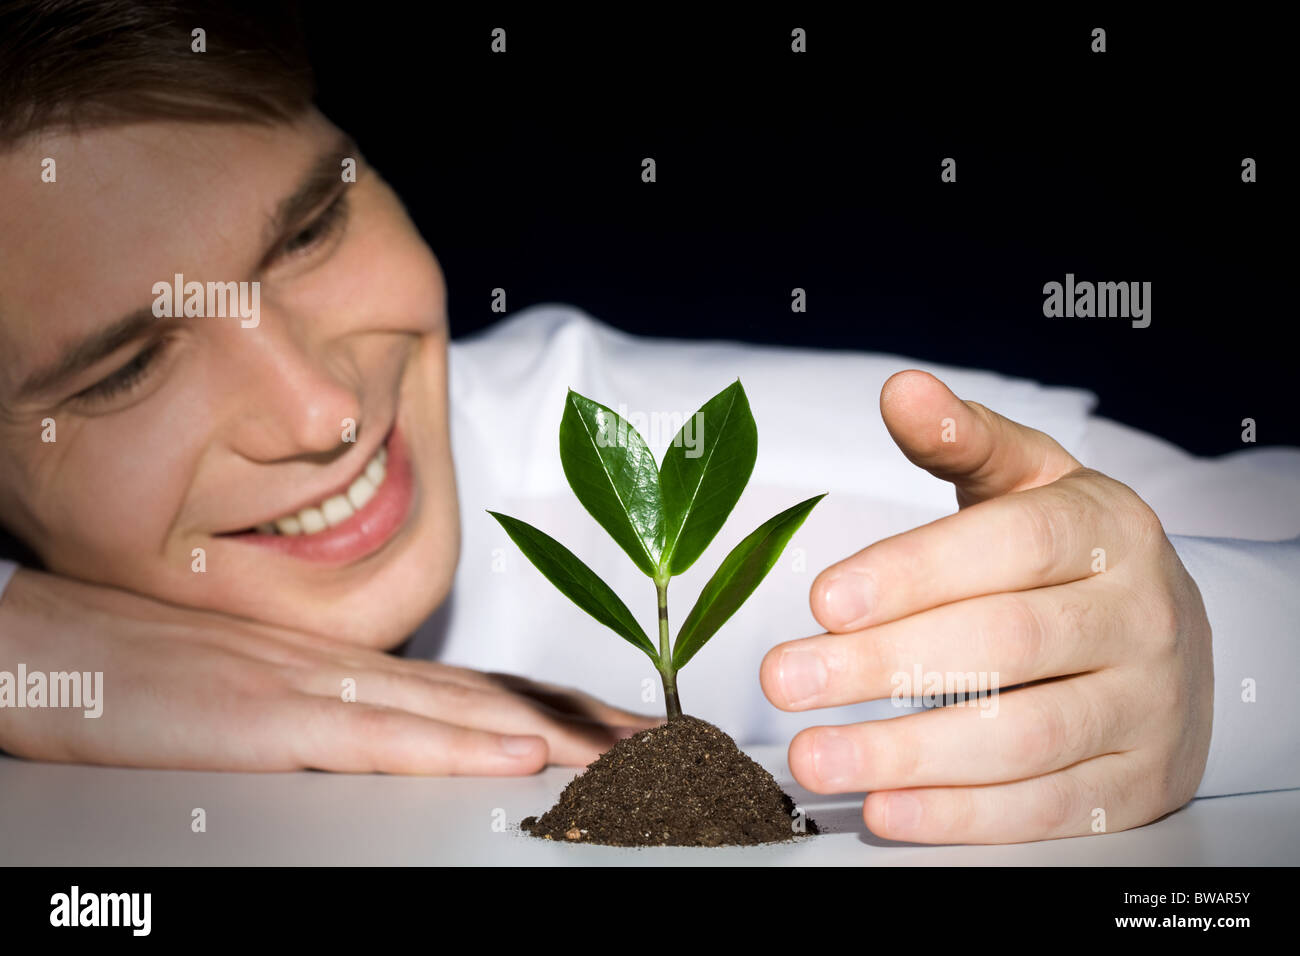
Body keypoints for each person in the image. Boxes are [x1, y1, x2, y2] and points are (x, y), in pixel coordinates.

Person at [1, 1, 1296, 846]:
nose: (325, 412)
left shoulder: (834, 492)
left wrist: (1203, 650)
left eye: (312, 226)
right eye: (122, 372)